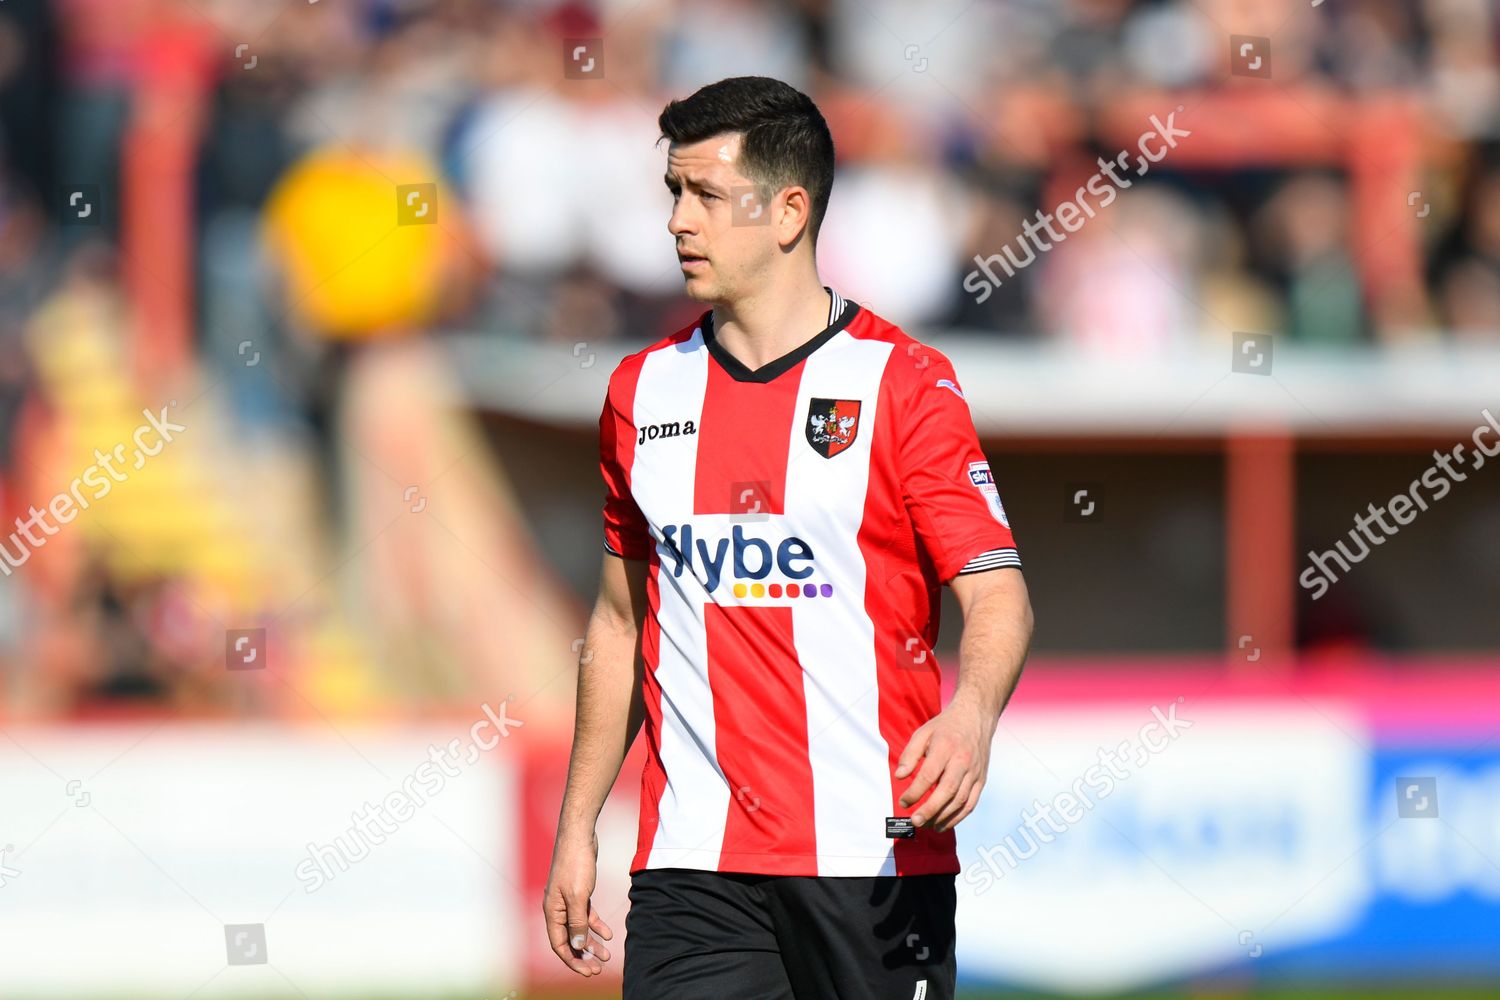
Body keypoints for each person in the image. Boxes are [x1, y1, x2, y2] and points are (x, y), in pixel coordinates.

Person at [542, 76, 1035, 1000]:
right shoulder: (640, 391)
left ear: (788, 212)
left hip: (872, 854)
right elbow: (619, 622)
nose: (679, 221)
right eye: (674, 192)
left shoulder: (905, 383)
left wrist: (971, 715)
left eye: (707, 195)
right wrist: (577, 825)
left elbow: (997, 591)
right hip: (693, 864)